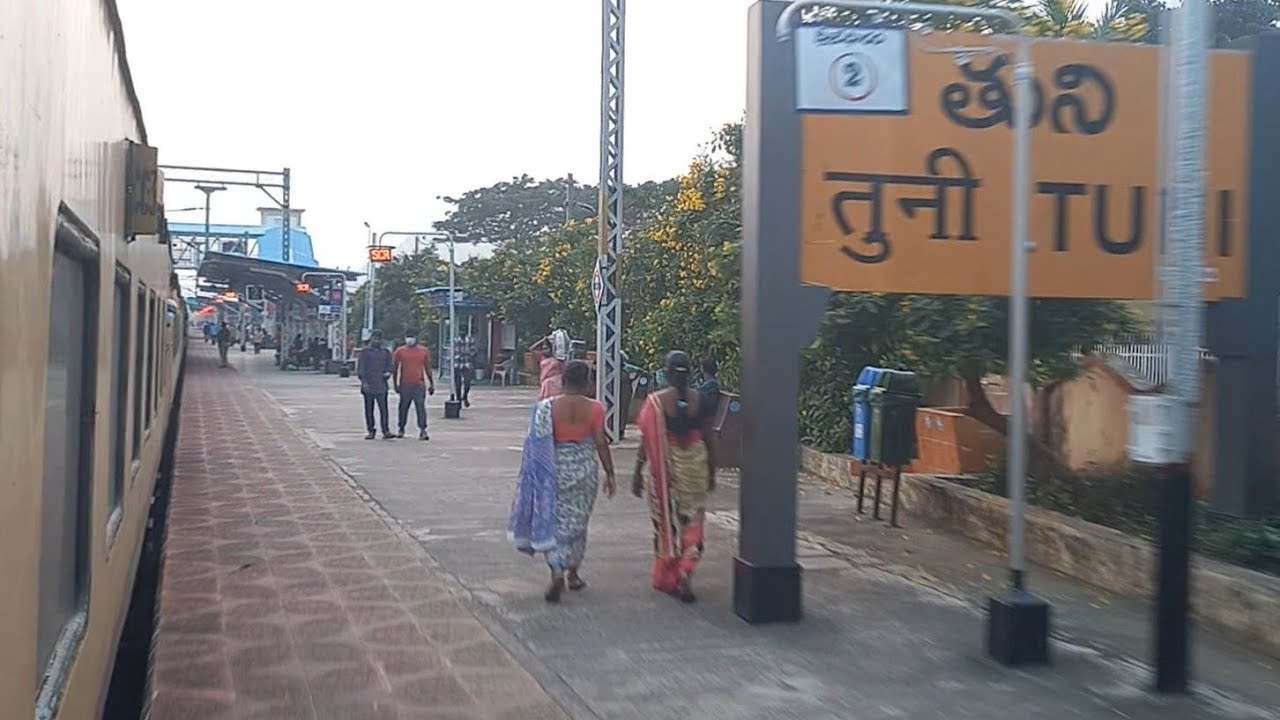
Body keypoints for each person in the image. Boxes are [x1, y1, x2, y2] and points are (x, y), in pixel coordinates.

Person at [508, 360, 616, 603]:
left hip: (554, 470)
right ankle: (573, 574)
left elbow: (535, 443)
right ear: (588, 382)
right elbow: (600, 441)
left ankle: (557, 569)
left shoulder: (547, 408)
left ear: (563, 380)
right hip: (584, 469)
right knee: (578, 521)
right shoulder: (596, 408)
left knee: (555, 520)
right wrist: (610, 473)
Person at [633, 351, 716, 603]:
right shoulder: (701, 399)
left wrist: (637, 472)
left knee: (664, 523)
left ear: (667, 373)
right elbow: (708, 436)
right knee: (691, 522)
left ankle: (667, 571)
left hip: (664, 467)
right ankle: (685, 575)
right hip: (694, 464)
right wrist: (711, 470)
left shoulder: (655, 402)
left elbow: (647, 441)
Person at [393, 330, 435, 440]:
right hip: (405, 384)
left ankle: (423, 430)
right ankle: (401, 428)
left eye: (412, 336)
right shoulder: (400, 351)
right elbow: (395, 368)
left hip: (419, 384)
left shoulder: (424, 351)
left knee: (420, 407)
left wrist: (431, 384)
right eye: (408, 337)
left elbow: (428, 368)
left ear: (416, 337)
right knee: (403, 407)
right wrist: (395, 384)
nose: (410, 339)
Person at [357, 330, 394, 440]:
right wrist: (364, 382)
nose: (376, 341)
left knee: (383, 409)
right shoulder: (365, 352)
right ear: (371, 339)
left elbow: (390, 366)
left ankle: (385, 430)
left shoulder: (385, 352)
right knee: (369, 409)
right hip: (368, 384)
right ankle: (371, 430)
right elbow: (361, 368)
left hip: (381, 385)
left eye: (378, 339)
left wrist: (388, 372)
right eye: (374, 338)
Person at [452, 328, 476, 408]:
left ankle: (465, 396)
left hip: (467, 363)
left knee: (467, 383)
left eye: (463, 331)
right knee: (458, 384)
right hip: (457, 364)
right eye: (460, 331)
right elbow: (452, 352)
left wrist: (470, 355)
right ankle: (458, 400)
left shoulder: (470, 340)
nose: (462, 333)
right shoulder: (455, 340)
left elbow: (473, 351)